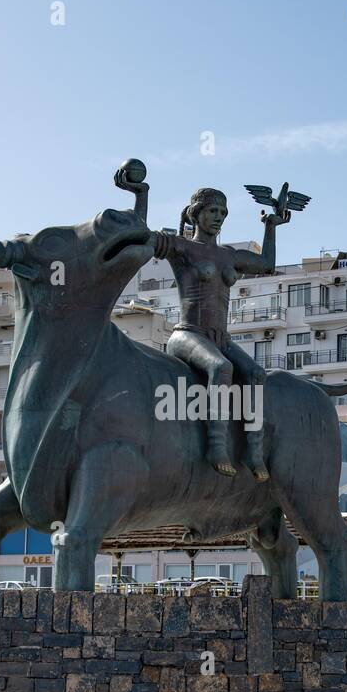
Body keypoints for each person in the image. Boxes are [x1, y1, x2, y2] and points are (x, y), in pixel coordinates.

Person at [121, 173, 287, 480]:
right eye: (213, 211)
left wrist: (270, 227)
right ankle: (217, 446)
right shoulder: (182, 247)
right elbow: (139, 234)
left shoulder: (228, 256)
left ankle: (253, 450)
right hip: (187, 335)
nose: (219, 218)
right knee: (221, 368)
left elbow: (266, 263)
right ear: (195, 213)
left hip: (220, 338)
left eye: (223, 213)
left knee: (255, 373)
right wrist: (141, 194)